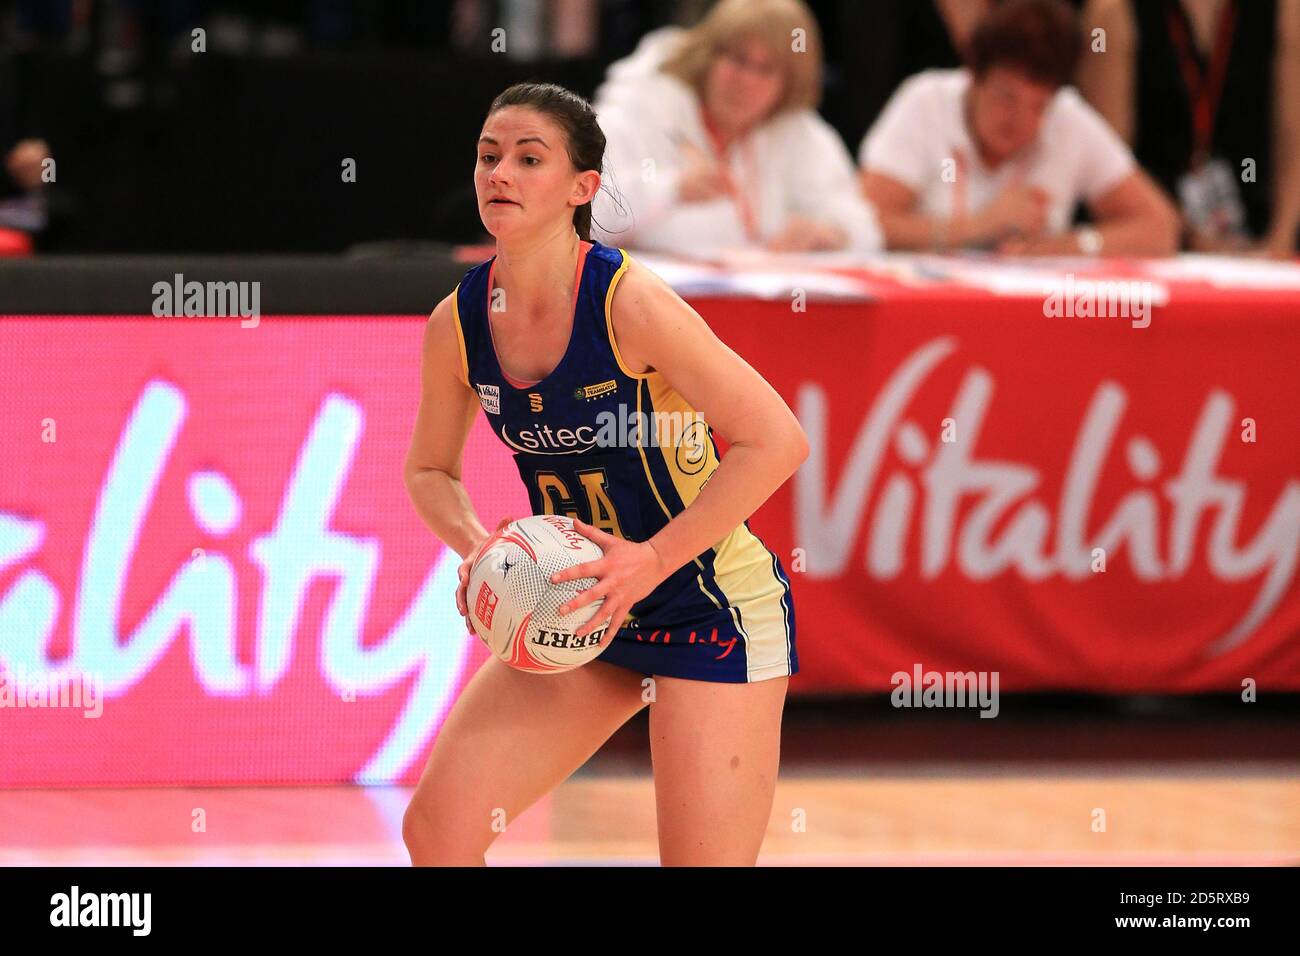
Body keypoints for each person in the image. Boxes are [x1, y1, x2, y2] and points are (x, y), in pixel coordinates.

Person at [401, 82, 806, 866]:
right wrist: (481, 547)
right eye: (489, 157)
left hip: (707, 609)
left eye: (528, 158)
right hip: (581, 610)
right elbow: (428, 469)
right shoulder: (457, 321)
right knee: (439, 833)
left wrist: (651, 559)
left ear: (582, 188)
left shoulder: (629, 303)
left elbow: (777, 440)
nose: (500, 174)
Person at [859, 0, 1179, 255]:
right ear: (975, 79)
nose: (1019, 119)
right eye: (1006, 98)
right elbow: (864, 222)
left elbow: (1160, 227)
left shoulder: (1067, 118)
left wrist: (1068, 246)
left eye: (1038, 106)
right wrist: (977, 226)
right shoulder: (926, 103)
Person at [589, 0, 882, 254]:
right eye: (737, 59)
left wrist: (830, 233)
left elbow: (866, 229)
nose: (746, 81)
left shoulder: (798, 132)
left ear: (788, 84)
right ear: (707, 57)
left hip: (759, 304)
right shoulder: (640, 106)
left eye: (766, 69)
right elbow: (582, 211)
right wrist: (671, 188)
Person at [1077, 0, 1300, 257]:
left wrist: (1280, 240)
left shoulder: (1285, 11)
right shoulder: (1114, 13)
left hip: (1256, 236)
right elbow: (1111, 160)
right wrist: (1189, 236)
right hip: (1157, 241)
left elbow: (1293, 138)